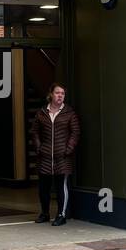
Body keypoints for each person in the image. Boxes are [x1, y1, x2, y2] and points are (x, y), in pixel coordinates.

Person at [29, 83, 80, 226]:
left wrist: (68, 149)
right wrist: (39, 147)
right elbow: (34, 132)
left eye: (62, 94)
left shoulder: (69, 113)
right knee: (43, 188)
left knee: (60, 187)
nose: (60, 96)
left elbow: (75, 133)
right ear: (51, 94)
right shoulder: (41, 113)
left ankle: (61, 215)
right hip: (44, 156)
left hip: (62, 157)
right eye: (57, 93)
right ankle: (44, 213)